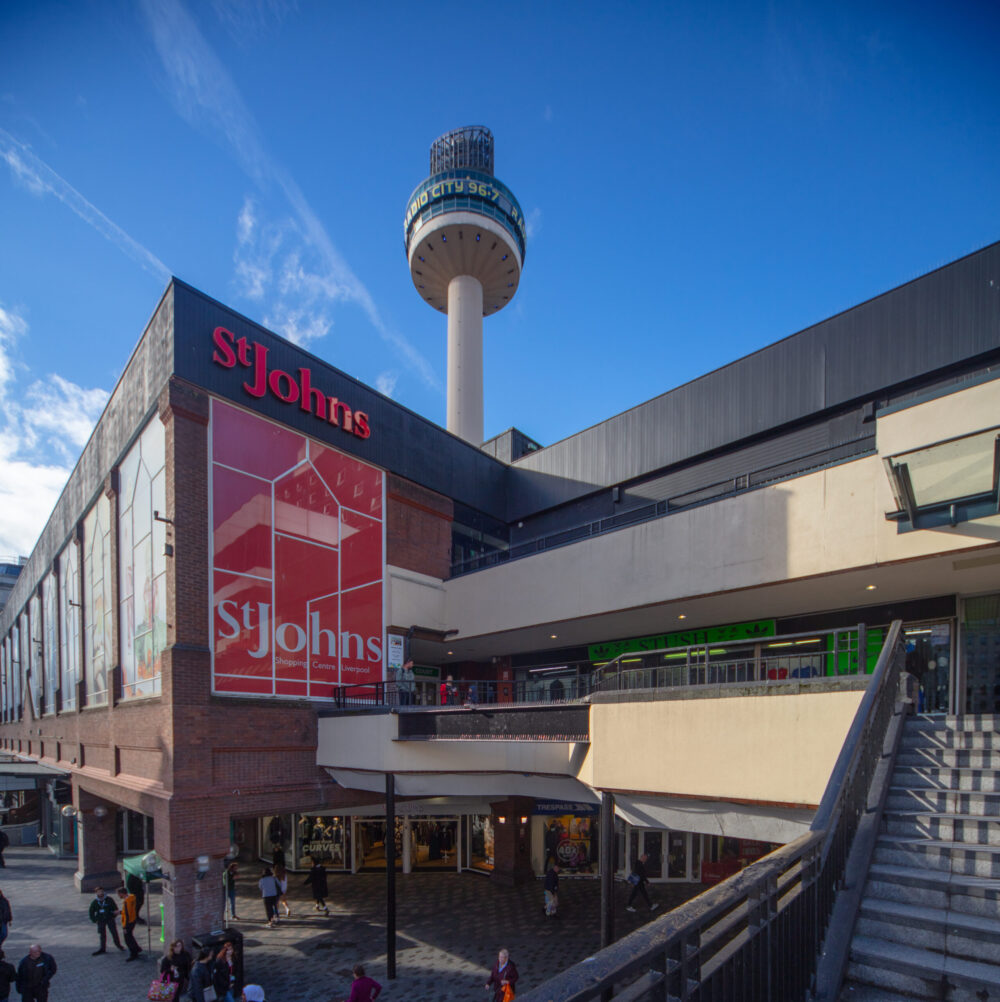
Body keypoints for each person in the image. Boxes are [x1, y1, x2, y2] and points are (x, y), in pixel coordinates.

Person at [88, 886, 123, 954]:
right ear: (96, 893)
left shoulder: (109, 899)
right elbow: (91, 912)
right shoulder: (95, 902)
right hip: (100, 920)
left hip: (109, 918)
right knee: (102, 934)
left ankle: (118, 945)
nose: (100, 893)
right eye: (99, 892)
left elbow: (115, 908)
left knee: (114, 932)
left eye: (101, 891)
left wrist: (113, 916)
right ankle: (102, 948)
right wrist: (95, 920)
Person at [117, 885, 142, 960]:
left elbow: (127, 915)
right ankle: (137, 948)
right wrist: (120, 912)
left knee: (128, 939)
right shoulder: (132, 898)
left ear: (122, 894)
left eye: (119, 894)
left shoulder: (127, 902)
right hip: (133, 920)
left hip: (128, 923)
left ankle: (133, 953)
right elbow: (129, 911)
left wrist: (125, 927)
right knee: (131, 936)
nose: (118, 896)